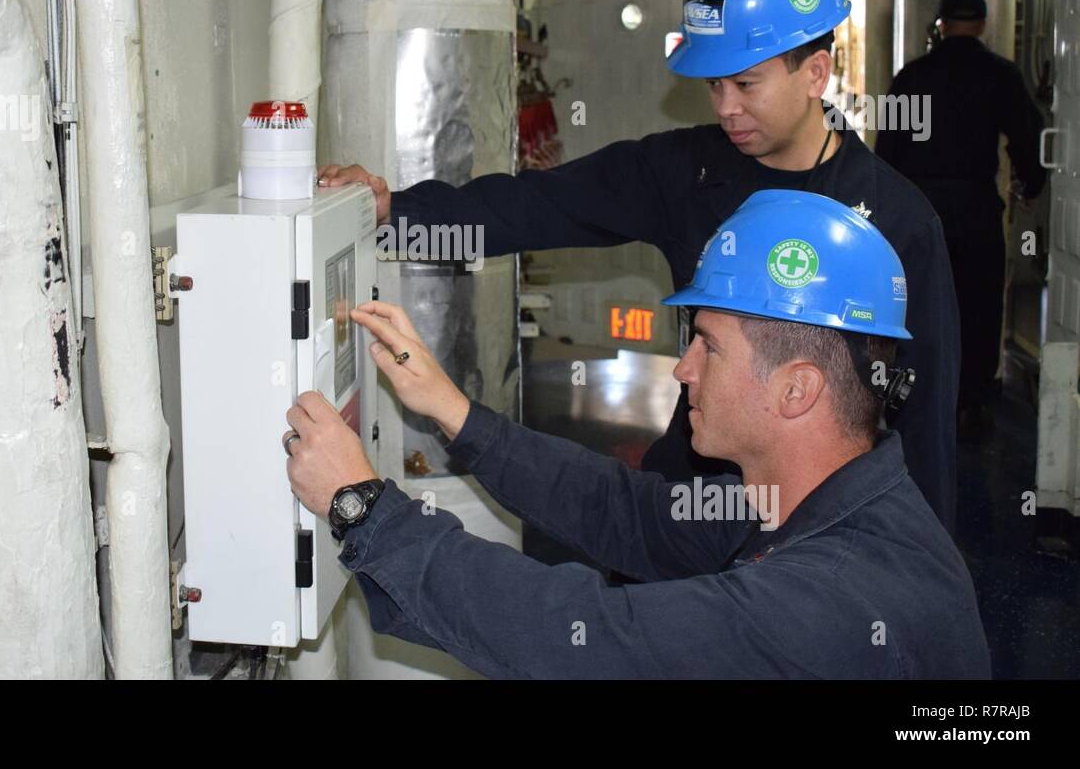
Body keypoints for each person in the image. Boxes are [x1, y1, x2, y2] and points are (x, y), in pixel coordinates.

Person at [318, 0, 961, 532]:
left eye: (745, 83)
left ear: (815, 74)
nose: (726, 108)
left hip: (820, 513)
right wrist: (394, 211)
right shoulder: (685, 171)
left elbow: (924, 415)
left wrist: (920, 575)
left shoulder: (898, 221)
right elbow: (535, 204)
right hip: (696, 488)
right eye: (714, 85)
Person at [281, 191, 991, 678]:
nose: (682, 368)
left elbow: (583, 640)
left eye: (707, 346)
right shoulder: (814, 503)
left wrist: (362, 507)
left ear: (796, 388)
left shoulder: (832, 604)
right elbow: (625, 510)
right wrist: (453, 410)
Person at [876, 0, 1047, 438]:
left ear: (942, 24)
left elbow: (886, 150)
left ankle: (909, 397)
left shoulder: (912, 76)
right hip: (975, 208)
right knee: (980, 303)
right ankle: (972, 401)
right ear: (984, 25)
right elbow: (1028, 137)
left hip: (919, 211)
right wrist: (1031, 185)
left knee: (915, 305)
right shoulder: (1001, 75)